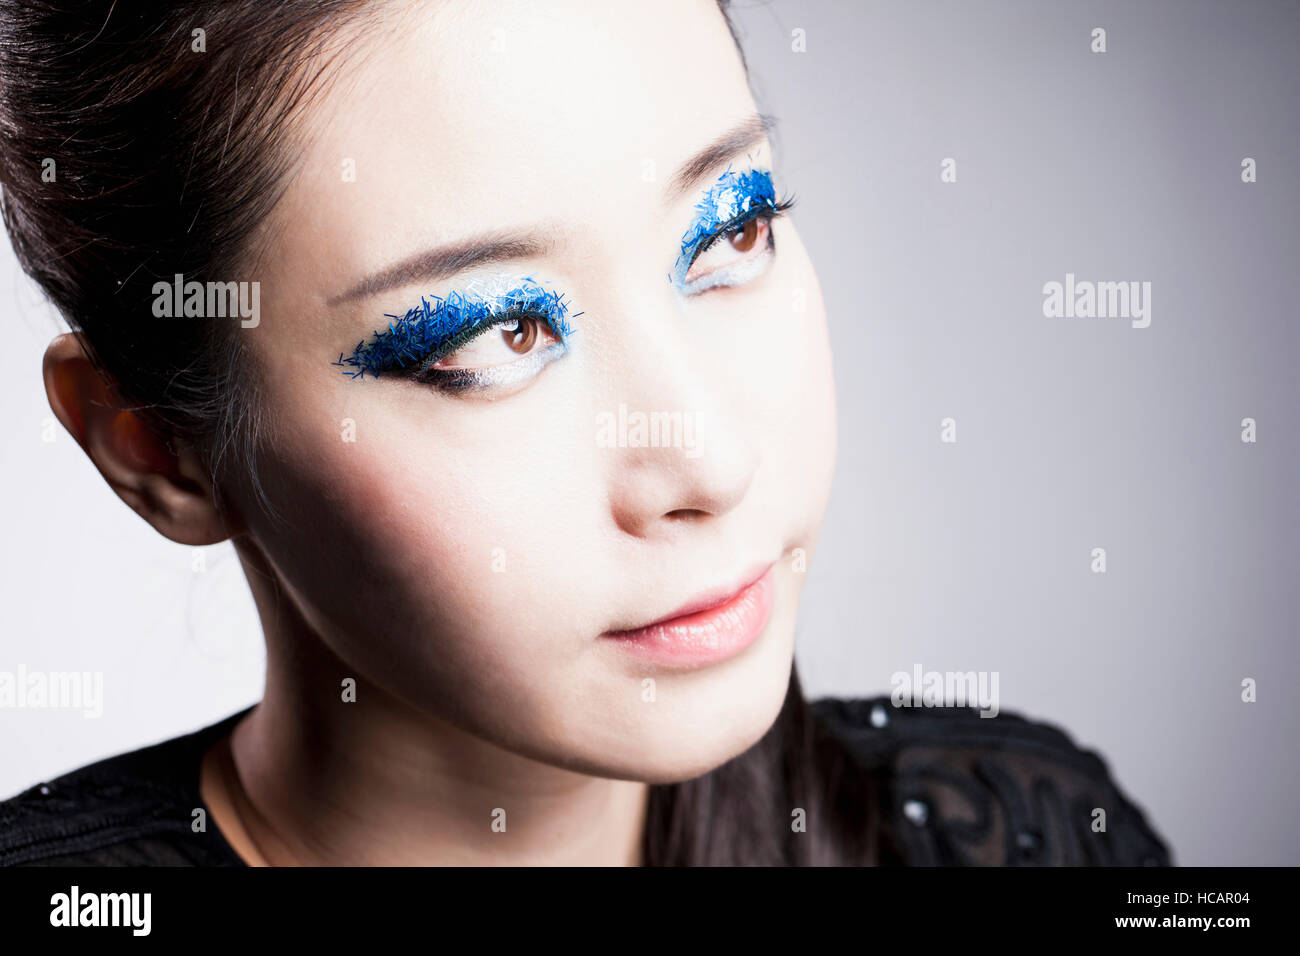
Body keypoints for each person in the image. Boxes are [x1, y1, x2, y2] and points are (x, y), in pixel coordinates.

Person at [0, 0, 1171, 866]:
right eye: (499, 332)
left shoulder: (1024, 832)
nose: (710, 460)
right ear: (156, 447)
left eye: (731, 229)